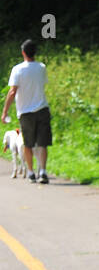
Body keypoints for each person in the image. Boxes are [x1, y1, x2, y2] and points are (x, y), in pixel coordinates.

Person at [2, 39, 52, 184]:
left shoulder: (17, 69)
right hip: (42, 109)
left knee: (28, 143)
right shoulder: (41, 67)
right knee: (42, 143)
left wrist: (4, 112)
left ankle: (30, 172)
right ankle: (42, 171)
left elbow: (12, 92)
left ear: (23, 52)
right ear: (35, 52)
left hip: (25, 112)